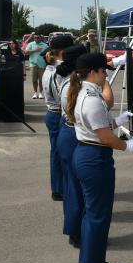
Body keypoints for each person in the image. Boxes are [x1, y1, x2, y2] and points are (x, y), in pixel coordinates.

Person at [67, 52, 133, 263]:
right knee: (98, 214)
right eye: (103, 70)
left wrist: (118, 120)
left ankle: (90, 260)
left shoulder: (84, 93)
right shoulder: (92, 99)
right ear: (93, 72)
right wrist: (129, 146)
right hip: (94, 157)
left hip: (86, 152)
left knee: (92, 212)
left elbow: (97, 126)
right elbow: (105, 137)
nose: (105, 74)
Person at [56, 45, 92, 243]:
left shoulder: (71, 80)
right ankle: (77, 231)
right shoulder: (74, 85)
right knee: (77, 188)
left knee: (73, 186)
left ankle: (75, 228)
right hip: (73, 134)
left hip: (68, 132)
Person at [43, 35, 75, 200]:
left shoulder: (50, 68)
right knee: (60, 153)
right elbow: (62, 97)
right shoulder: (60, 71)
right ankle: (60, 189)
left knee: (56, 152)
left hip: (52, 113)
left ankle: (59, 187)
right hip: (57, 114)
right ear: (63, 52)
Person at [24, 34, 48, 99]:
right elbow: (25, 52)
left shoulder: (45, 45)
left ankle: (40, 93)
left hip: (42, 65)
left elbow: (47, 55)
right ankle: (35, 92)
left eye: (37, 37)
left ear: (40, 38)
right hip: (33, 64)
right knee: (34, 80)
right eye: (35, 38)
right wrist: (35, 50)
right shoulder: (30, 44)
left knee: (41, 80)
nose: (36, 39)